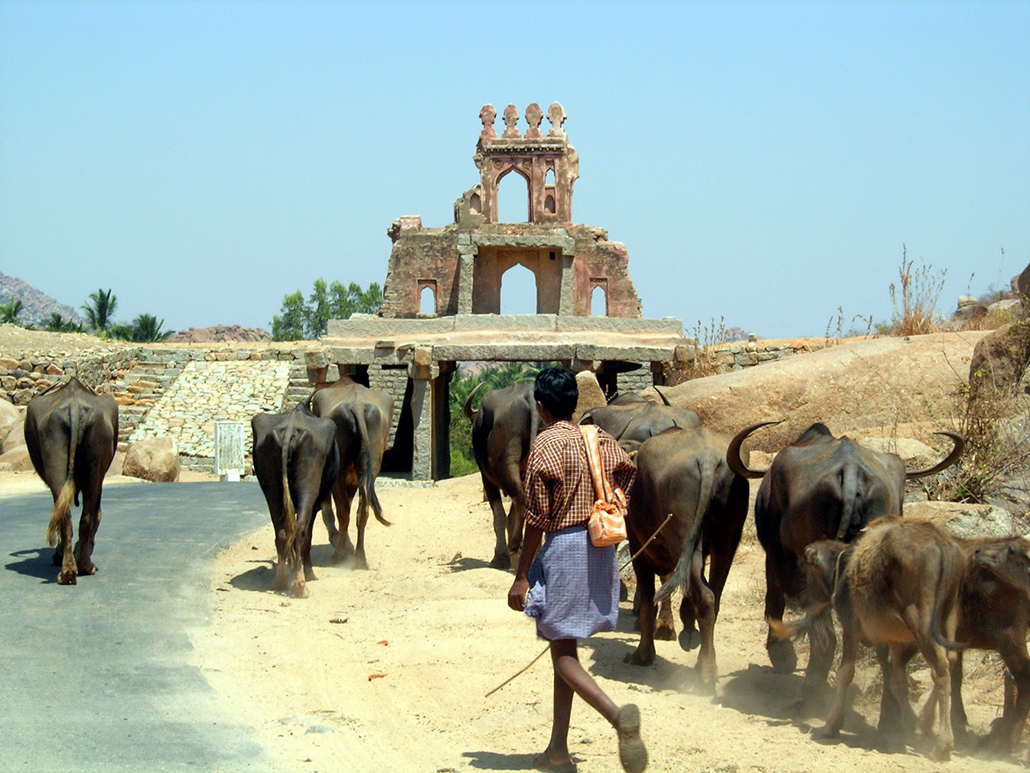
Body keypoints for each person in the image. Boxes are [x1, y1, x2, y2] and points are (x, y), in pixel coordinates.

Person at [507, 367, 647, 773]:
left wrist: (521, 575)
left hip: (565, 547)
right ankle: (558, 751)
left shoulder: (545, 445)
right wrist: (611, 505)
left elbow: (536, 518)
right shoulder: (598, 437)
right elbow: (628, 472)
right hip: (600, 546)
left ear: (540, 406)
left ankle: (618, 717)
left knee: (563, 656)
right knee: (564, 644)